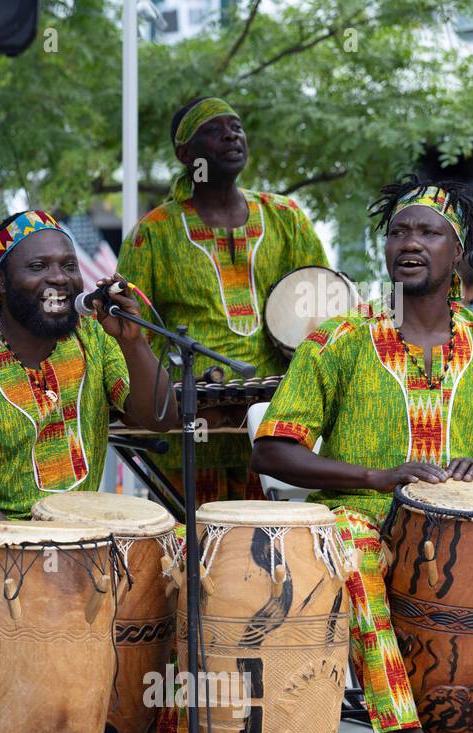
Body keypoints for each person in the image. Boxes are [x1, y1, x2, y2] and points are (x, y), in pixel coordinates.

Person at [252, 176, 473, 733]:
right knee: (353, 548)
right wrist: (374, 477)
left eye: (428, 232)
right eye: (398, 232)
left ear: (459, 250)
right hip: (368, 522)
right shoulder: (338, 340)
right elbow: (273, 445)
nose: (409, 243)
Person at [0, 210, 177, 691]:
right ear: (0, 280)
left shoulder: (94, 341)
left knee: (176, 565)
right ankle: (16, 726)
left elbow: (161, 418)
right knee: (4, 579)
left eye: (68, 266)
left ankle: (140, 732)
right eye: (38, 267)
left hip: (83, 534)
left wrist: (133, 343)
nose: (59, 279)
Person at [118, 96, 329, 503]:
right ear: (185, 154)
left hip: (274, 419)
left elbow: (322, 306)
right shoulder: (154, 232)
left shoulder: (286, 217)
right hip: (192, 420)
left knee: (274, 544)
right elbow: (128, 328)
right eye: (214, 130)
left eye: (236, 126)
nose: (232, 134)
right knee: (198, 548)